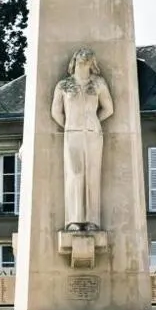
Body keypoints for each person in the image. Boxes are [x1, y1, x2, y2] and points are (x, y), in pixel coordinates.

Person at [51, 46, 113, 231]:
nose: (83, 65)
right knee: (75, 175)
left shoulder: (99, 84)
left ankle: (93, 221)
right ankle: (74, 220)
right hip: (73, 133)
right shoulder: (63, 85)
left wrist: (93, 122)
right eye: (80, 61)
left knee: (92, 176)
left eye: (86, 62)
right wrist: (70, 125)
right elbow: (56, 112)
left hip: (93, 133)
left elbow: (109, 109)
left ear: (92, 64)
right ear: (74, 62)